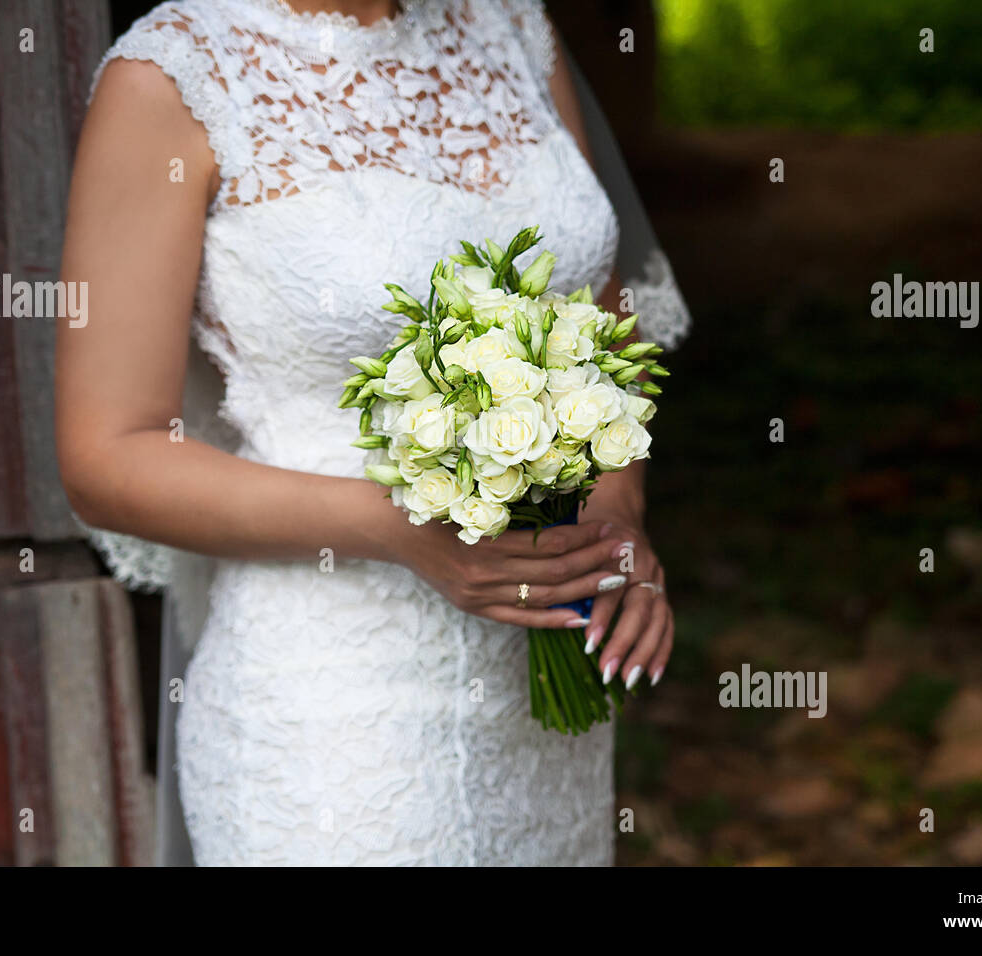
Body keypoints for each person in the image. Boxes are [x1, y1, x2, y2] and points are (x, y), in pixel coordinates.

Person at [55, 0, 690, 865]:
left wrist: (615, 520)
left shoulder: (508, 28)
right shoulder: (175, 76)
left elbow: (607, 331)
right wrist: (402, 529)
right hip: (335, 716)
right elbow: (107, 453)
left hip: (541, 705)